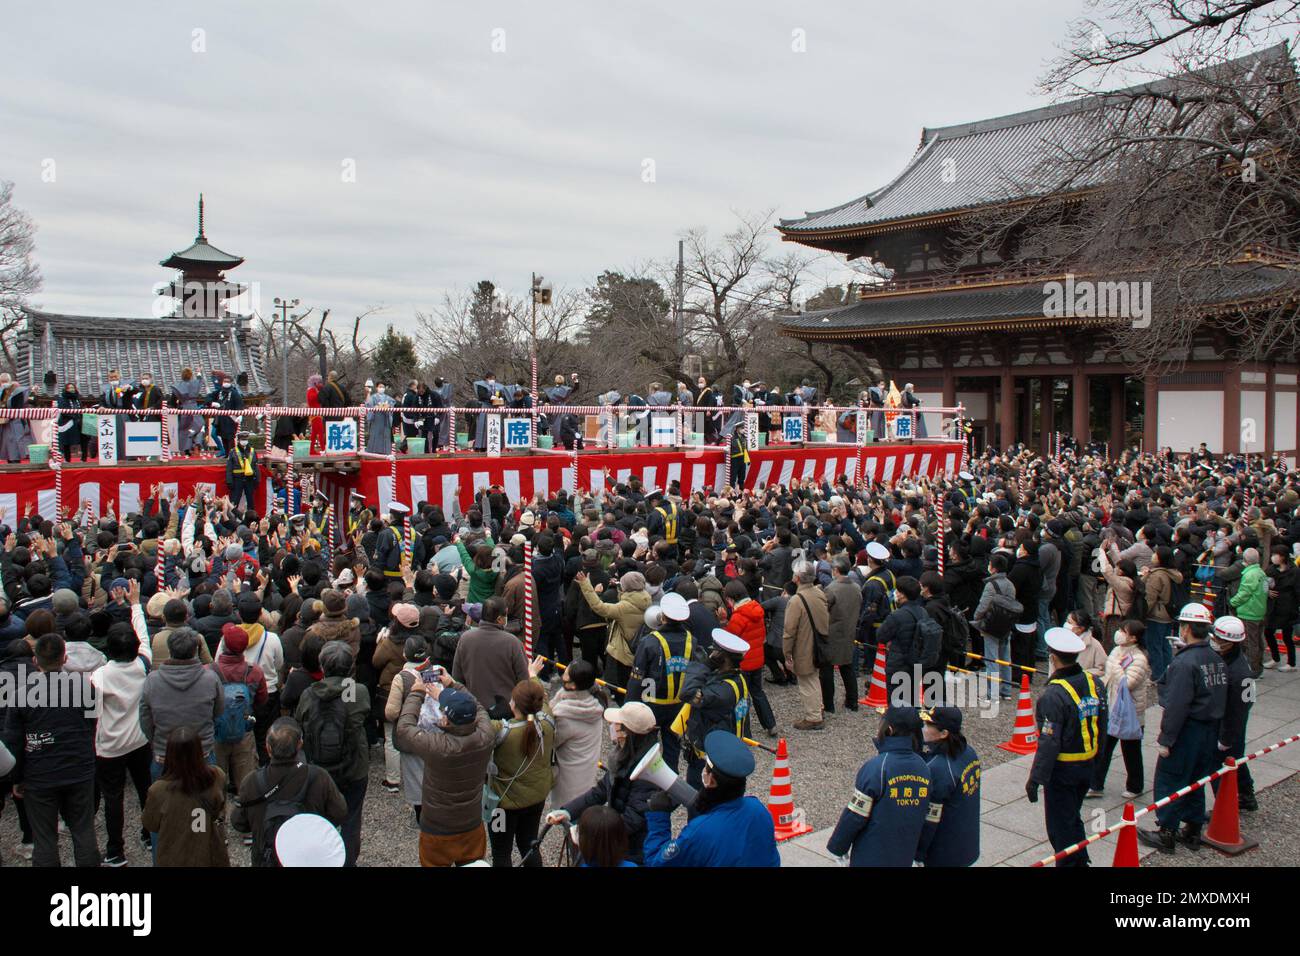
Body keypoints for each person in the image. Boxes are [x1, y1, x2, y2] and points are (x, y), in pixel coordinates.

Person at [0, 633, 99, 867]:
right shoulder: (85, 687)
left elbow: (13, 742)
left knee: (44, 839)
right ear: (64, 658)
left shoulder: (21, 695)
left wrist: (17, 778)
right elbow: (92, 725)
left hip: (39, 774)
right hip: (79, 769)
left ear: (35, 661)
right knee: (84, 831)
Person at [1137, 603, 1227, 853]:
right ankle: (1193, 828)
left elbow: (1177, 705)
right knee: (1196, 779)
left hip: (1188, 729)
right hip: (1209, 728)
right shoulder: (1215, 658)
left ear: (1186, 628)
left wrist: (1166, 739)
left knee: (1170, 778)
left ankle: (1167, 831)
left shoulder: (1184, 663)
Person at [396, 670, 495, 866]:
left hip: (437, 828)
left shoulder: (437, 746)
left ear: (446, 719)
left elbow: (404, 728)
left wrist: (417, 692)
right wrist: (451, 686)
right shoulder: (486, 735)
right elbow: (479, 708)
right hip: (472, 823)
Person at [1025, 626, 1106, 866]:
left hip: (1063, 770)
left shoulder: (1054, 695)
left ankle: (1072, 863)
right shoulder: (1094, 683)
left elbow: (1049, 742)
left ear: (1052, 657)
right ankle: (1081, 859)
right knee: (1072, 817)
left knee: (1060, 826)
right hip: (1087, 763)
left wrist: (1036, 777)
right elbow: (1103, 723)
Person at [643, 730, 779, 867]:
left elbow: (655, 862)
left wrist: (658, 816)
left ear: (711, 781)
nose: (704, 771)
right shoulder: (758, 808)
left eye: (706, 768)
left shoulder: (699, 831)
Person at [549, 701, 658, 863]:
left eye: (617, 723)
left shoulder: (647, 772)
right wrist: (568, 811)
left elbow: (633, 819)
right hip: (618, 842)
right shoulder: (624, 755)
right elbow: (600, 791)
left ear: (626, 732)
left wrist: (592, 834)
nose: (612, 726)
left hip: (632, 850)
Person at [230, 717, 348, 866]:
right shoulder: (318, 777)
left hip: (266, 858)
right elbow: (340, 812)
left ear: (268, 748)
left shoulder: (251, 781)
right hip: (307, 857)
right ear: (300, 745)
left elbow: (238, 823)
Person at [294, 640, 370, 866]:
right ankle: (347, 860)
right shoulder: (358, 691)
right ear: (351, 667)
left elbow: (300, 720)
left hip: (318, 765)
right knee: (351, 817)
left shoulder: (309, 694)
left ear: (322, 666)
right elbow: (360, 709)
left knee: (319, 816)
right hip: (354, 765)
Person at [826, 706, 931, 866]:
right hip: (904, 853)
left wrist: (838, 847)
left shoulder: (877, 767)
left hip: (872, 855)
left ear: (888, 729)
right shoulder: (923, 767)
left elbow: (855, 815)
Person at [91, 610, 155, 866]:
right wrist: (135, 606)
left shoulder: (98, 677)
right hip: (140, 738)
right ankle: (150, 834)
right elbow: (144, 637)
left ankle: (116, 850)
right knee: (145, 789)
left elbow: (91, 714)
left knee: (113, 797)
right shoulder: (143, 665)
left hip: (111, 745)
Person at [487, 666, 556, 867]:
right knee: (529, 844)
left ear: (514, 704)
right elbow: (540, 698)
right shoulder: (546, 723)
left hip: (503, 804)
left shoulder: (502, 731)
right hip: (536, 798)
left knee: (501, 852)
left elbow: (474, 721)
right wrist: (532, 674)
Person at [140, 628, 225, 780]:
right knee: (205, 800)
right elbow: (218, 711)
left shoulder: (152, 680)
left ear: (170, 649)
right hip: (202, 751)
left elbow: (145, 719)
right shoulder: (211, 678)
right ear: (195, 650)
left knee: (164, 801)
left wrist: (156, 740)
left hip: (164, 753)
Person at [140, 727, 230, 867]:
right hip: (208, 853)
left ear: (169, 754)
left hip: (172, 857)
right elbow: (219, 809)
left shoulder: (158, 791)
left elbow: (150, 823)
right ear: (199, 752)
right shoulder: (217, 776)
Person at [627, 591, 696, 771]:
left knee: (645, 748)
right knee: (672, 749)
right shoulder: (692, 641)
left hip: (652, 705)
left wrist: (628, 708)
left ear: (662, 616)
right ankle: (670, 790)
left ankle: (645, 787)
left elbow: (636, 678)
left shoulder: (649, 641)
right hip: (680, 706)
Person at [678, 629, 751, 794]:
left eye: (714, 652)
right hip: (722, 750)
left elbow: (687, 693)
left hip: (709, 760)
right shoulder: (736, 678)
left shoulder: (722, 692)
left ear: (721, 657)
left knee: (698, 802)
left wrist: (703, 665)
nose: (710, 654)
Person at [1088, 619, 1150, 800]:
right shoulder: (1116, 651)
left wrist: (1116, 667)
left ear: (1133, 637)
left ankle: (1135, 786)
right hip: (1111, 707)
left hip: (1129, 712)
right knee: (1103, 748)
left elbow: (1128, 683)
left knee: (1131, 750)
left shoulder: (1139, 658)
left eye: (1124, 631)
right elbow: (1108, 677)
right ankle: (1095, 784)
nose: (1120, 633)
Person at [916, 706, 980, 867]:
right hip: (966, 843)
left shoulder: (939, 769)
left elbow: (930, 820)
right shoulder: (968, 752)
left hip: (943, 852)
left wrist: (918, 855)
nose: (923, 728)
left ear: (944, 733)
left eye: (928, 725)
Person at [451, 596, 528, 719]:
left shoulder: (465, 639)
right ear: (499, 619)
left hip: (474, 709)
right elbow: (524, 680)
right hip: (506, 711)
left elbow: (457, 677)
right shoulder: (513, 643)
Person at [1210, 615, 1257, 812]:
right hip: (1227, 719)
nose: (1214, 642)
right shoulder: (1231, 658)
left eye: (1219, 640)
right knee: (1236, 760)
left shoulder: (1239, 673)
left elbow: (1241, 707)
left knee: (1218, 766)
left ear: (1231, 643)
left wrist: (1226, 738)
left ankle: (1224, 807)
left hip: (1229, 723)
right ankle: (1246, 795)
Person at [574, 568, 651, 691]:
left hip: (624, 653)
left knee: (621, 684)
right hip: (637, 649)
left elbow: (599, 607)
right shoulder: (647, 599)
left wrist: (585, 585)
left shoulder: (624, 607)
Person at [723, 579, 777, 737]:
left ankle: (745, 732)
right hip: (758, 659)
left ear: (731, 598)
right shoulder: (757, 610)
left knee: (742, 697)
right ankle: (770, 724)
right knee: (758, 692)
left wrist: (722, 622)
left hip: (743, 663)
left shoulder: (738, 617)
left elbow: (729, 639)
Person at [549, 659, 606, 807]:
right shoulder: (596, 702)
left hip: (568, 779)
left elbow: (550, 740)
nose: (562, 677)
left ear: (573, 685)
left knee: (568, 818)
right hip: (587, 773)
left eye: (566, 676)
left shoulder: (565, 716)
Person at [783, 559, 829, 730]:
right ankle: (819, 708)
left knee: (807, 681)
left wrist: (787, 653)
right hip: (819, 643)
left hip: (804, 646)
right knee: (813, 678)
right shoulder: (819, 593)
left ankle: (814, 717)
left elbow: (789, 631)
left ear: (797, 578)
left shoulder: (796, 600)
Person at [822, 555, 861, 714]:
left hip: (832, 633)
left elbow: (823, 610)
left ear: (836, 570)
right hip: (850, 631)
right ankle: (852, 702)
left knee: (826, 670)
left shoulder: (831, 589)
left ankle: (828, 704)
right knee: (848, 668)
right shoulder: (857, 587)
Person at [1228, 547, 1268, 677]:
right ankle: (1258, 667)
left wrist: (1232, 602)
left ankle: (1253, 669)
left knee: (1250, 643)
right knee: (1258, 641)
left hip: (1248, 612)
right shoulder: (1261, 572)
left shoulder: (1249, 574)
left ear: (1245, 560)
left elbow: (1244, 593)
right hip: (1259, 611)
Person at [206, 371, 243, 457]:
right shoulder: (220, 391)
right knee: (223, 437)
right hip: (221, 418)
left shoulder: (234, 393)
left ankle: (233, 456)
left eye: (227, 381)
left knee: (230, 438)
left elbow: (239, 404)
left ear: (230, 383)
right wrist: (211, 403)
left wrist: (240, 415)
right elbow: (209, 396)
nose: (226, 383)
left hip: (230, 419)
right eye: (224, 381)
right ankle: (226, 454)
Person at [225, 431, 260, 512]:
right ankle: (232, 517)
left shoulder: (252, 451)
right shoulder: (233, 451)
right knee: (234, 501)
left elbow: (256, 466)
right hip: (237, 479)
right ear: (239, 440)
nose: (244, 441)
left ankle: (251, 518)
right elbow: (229, 468)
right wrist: (229, 481)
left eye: (245, 439)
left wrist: (257, 479)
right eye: (242, 439)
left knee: (250, 501)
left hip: (250, 479)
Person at [56, 382, 89, 461]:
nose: (72, 389)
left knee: (84, 439)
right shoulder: (62, 398)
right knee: (66, 441)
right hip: (67, 422)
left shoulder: (77, 399)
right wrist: (73, 416)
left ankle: (84, 459)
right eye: (69, 388)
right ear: (66, 389)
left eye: (73, 387)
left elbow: (80, 409)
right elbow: (62, 410)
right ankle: (67, 459)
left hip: (79, 422)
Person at [365, 381, 396, 454]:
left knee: (385, 435)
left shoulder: (388, 398)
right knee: (375, 434)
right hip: (376, 418)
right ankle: (373, 451)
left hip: (385, 418)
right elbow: (369, 404)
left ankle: (386, 451)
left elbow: (393, 403)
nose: (381, 388)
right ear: (376, 388)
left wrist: (388, 406)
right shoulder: (373, 397)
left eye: (383, 387)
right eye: (380, 387)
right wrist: (368, 393)